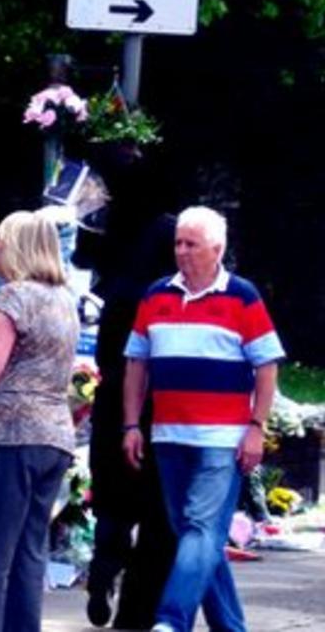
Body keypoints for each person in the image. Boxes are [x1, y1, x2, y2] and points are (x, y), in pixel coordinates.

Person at [122, 206, 285, 632]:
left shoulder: (242, 296)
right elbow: (136, 363)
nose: (181, 251)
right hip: (168, 436)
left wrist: (256, 427)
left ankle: (171, 621)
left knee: (199, 528)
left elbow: (267, 365)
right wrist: (131, 424)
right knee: (197, 537)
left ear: (217, 249)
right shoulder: (156, 294)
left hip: (222, 438)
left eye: (190, 244)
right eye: (178, 242)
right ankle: (231, 628)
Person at [0, 210, 79, 632]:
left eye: (0, 239)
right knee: (28, 552)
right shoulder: (65, 299)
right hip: (54, 436)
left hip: (5, 435)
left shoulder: (13, 297)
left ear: (19, 246)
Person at [84, 214, 177, 629]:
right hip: (155, 409)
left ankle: (103, 571)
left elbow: (105, 354)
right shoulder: (168, 296)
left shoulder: (120, 291)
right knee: (153, 513)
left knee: (114, 506)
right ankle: (134, 610)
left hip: (113, 407)